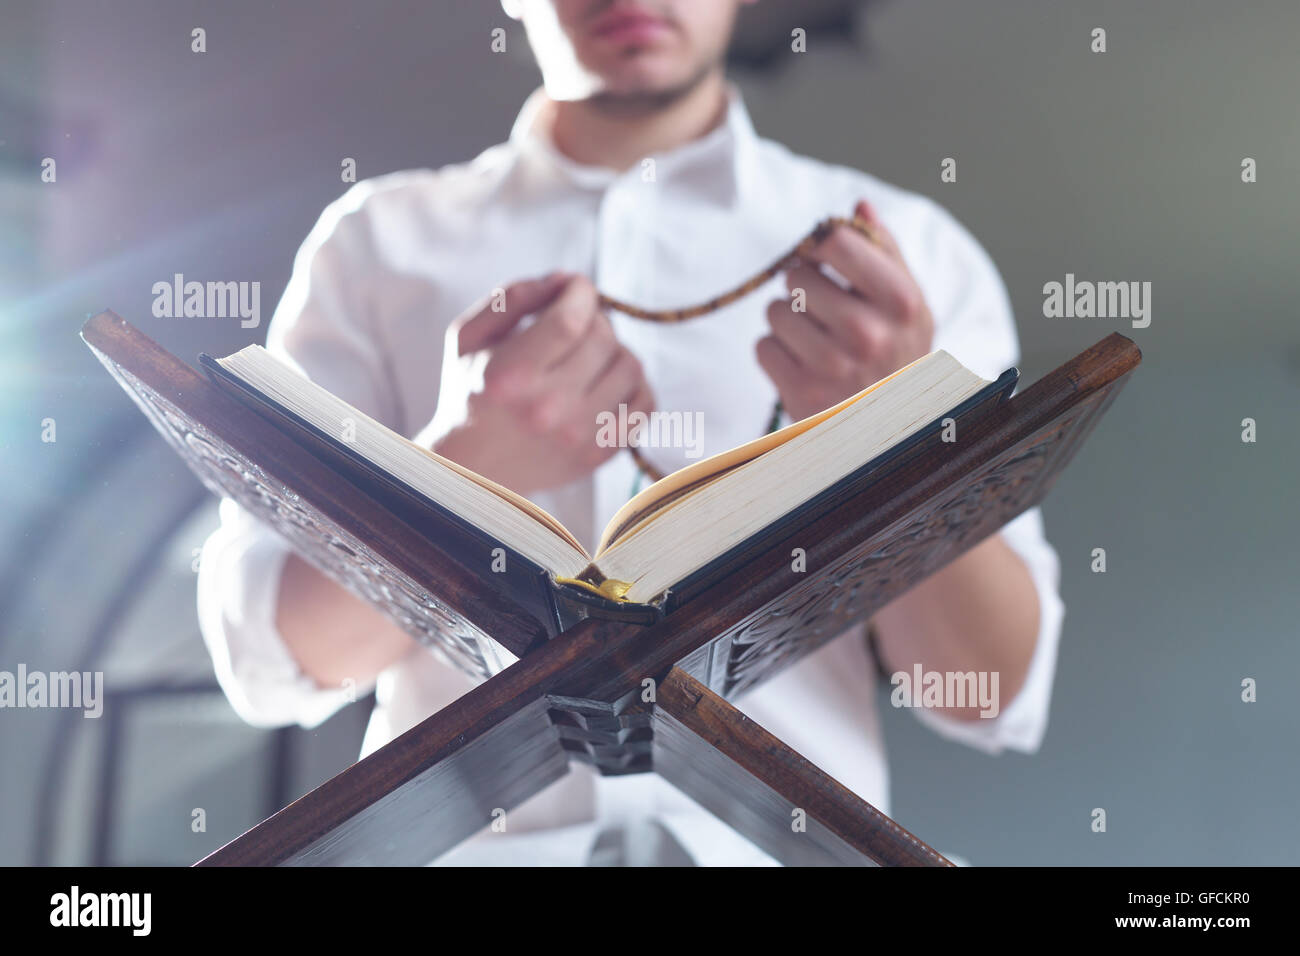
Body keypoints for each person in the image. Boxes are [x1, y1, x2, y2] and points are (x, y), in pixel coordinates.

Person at [197, 0, 1063, 866]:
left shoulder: (918, 256)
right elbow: (275, 657)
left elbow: (986, 691)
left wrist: (909, 440)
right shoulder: (373, 246)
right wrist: (466, 462)